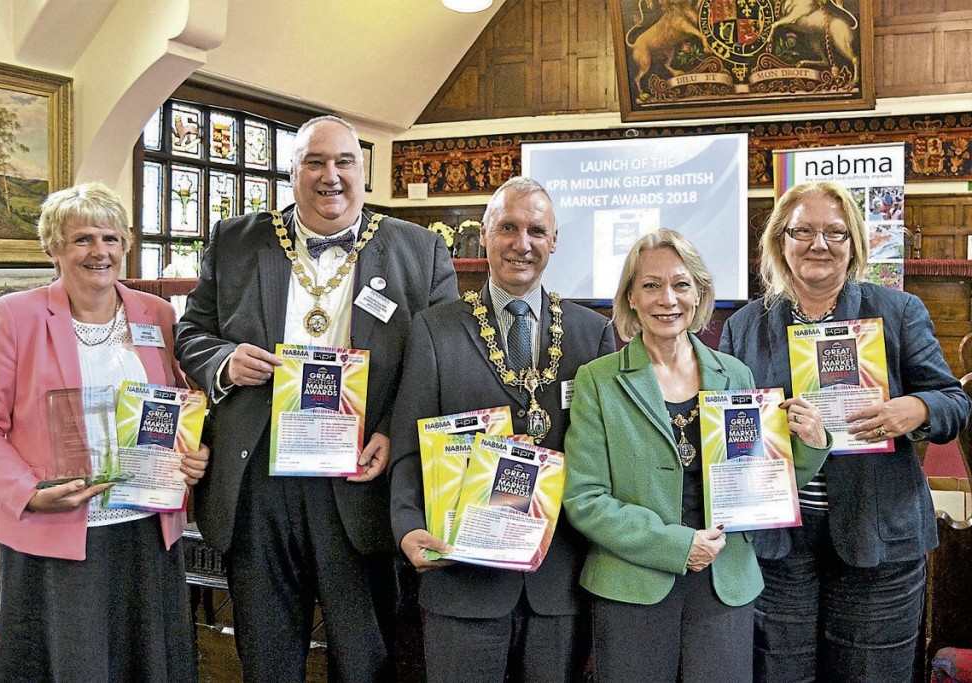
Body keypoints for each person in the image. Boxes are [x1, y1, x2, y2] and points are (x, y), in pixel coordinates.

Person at [175, 115, 458, 682]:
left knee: (363, 656)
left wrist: (393, 434)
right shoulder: (236, 240)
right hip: (256, 475)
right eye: (314, 162)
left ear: (363, 172)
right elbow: (191, 333)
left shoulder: (419, 250)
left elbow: (439, 367)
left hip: (359, 476)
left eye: (343, 162)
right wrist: (224, 362)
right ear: (293, 172)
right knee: (267, 652)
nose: (330, 176)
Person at [0, 182, 209, 682]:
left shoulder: (154, 314)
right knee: (73, 663)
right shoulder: (19, 315)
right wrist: (28, 493)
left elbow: (177, 403)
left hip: (145, 523)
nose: (100, 252)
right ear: (53, 247)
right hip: (59, 526)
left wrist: (192, 451)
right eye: (83, 239)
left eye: (111, 239)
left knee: (146, 660)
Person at [719, 181, 972, 682]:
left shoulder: (898, 312)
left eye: (835, 232)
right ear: (779, 241)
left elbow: (955, 403)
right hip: (780, 546)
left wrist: (916, 408)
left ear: (854, 242)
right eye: (804, 231)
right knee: (780, 673)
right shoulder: (745, 325)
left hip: (878, 539)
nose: (819, 244)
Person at [563, 229, 831, 683]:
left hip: (724, 584)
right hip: (632, 585)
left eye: (681, 284)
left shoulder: (736, 373)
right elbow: (584, 499)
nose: (667, 298)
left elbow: (760, 482)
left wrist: (810, 444)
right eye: (651, 285)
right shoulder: (597, 380)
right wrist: (677, 546)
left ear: (700, 293)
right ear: (630, 296)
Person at [389, 176, 616, 682]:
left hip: (558, 584)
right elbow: (408, 448)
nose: (522, 244)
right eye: (508, 228)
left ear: (554, 241)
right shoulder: (434, 328)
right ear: (485, 235)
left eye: (537, 230)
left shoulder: (592, 334)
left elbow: (605, 457)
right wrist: (407, 526)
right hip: (461, 579)